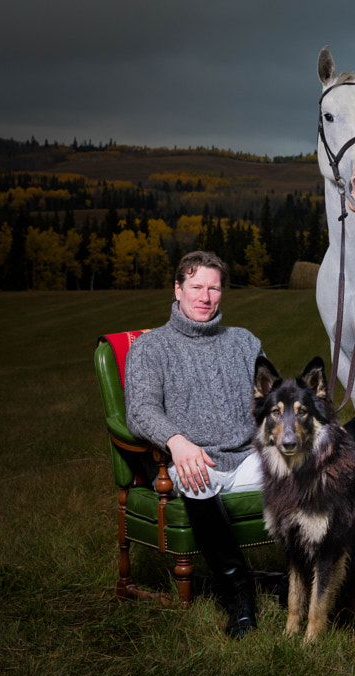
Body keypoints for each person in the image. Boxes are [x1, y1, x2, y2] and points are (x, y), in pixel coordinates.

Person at [125, 251, 264, 639]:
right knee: (195, 476)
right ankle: (239, 594)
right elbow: (139, 411)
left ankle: (327, 579)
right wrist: (176, 441)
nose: (205, 296)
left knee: (310, 469)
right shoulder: (152, 348)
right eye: (196, 286)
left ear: (223, 292)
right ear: (178, 289)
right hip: (191, 462)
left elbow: (268, 406)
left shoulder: (244, 342)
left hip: (248, 457)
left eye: (214, 287)